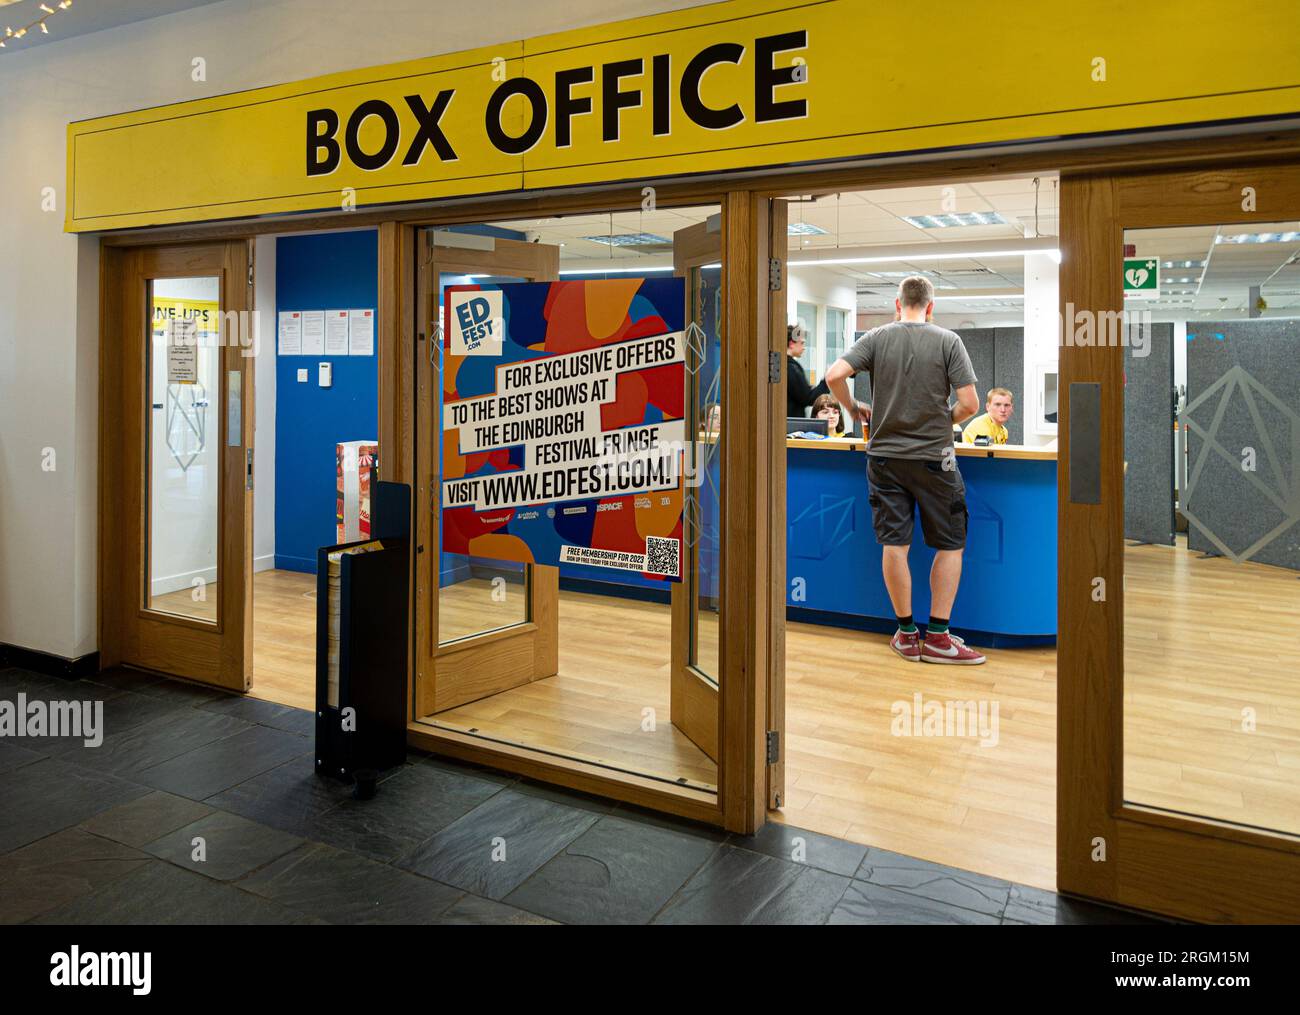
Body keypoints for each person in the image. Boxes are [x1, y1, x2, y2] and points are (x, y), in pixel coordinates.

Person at [824, 276, 986, 665]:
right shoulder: (948, 341)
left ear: (898, 305)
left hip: (884, 459)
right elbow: (970, 403)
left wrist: (853, 407)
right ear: (930, 307)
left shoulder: (877, 337)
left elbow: (833, 376)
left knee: (895, 545)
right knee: (950, 544)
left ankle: (906, 634)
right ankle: (939, 638)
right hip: (936, 459)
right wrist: (942, 419)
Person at [785, 323, 828, 418]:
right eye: (802, 343)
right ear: (791, 344)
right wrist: (826, 381)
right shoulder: (790, 368)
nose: (804, 347)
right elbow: (808, 398)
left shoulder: (785, 365)